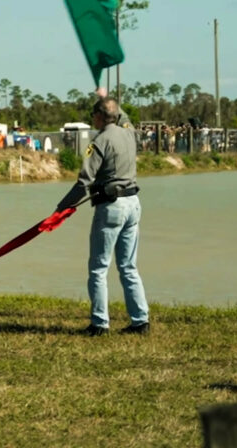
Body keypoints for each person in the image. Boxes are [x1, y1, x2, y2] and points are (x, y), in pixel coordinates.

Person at [56, 95, 149, 337]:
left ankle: (99, 324)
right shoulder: (128, 132)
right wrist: (106, 96)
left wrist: (61, 208)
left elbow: (84, 182)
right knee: (128, 266)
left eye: (93, 115)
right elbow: (123, 115)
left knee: (98, 268)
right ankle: (140, 320)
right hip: (133, 204)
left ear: (98, 116)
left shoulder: (100, 140)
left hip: (112, 207)